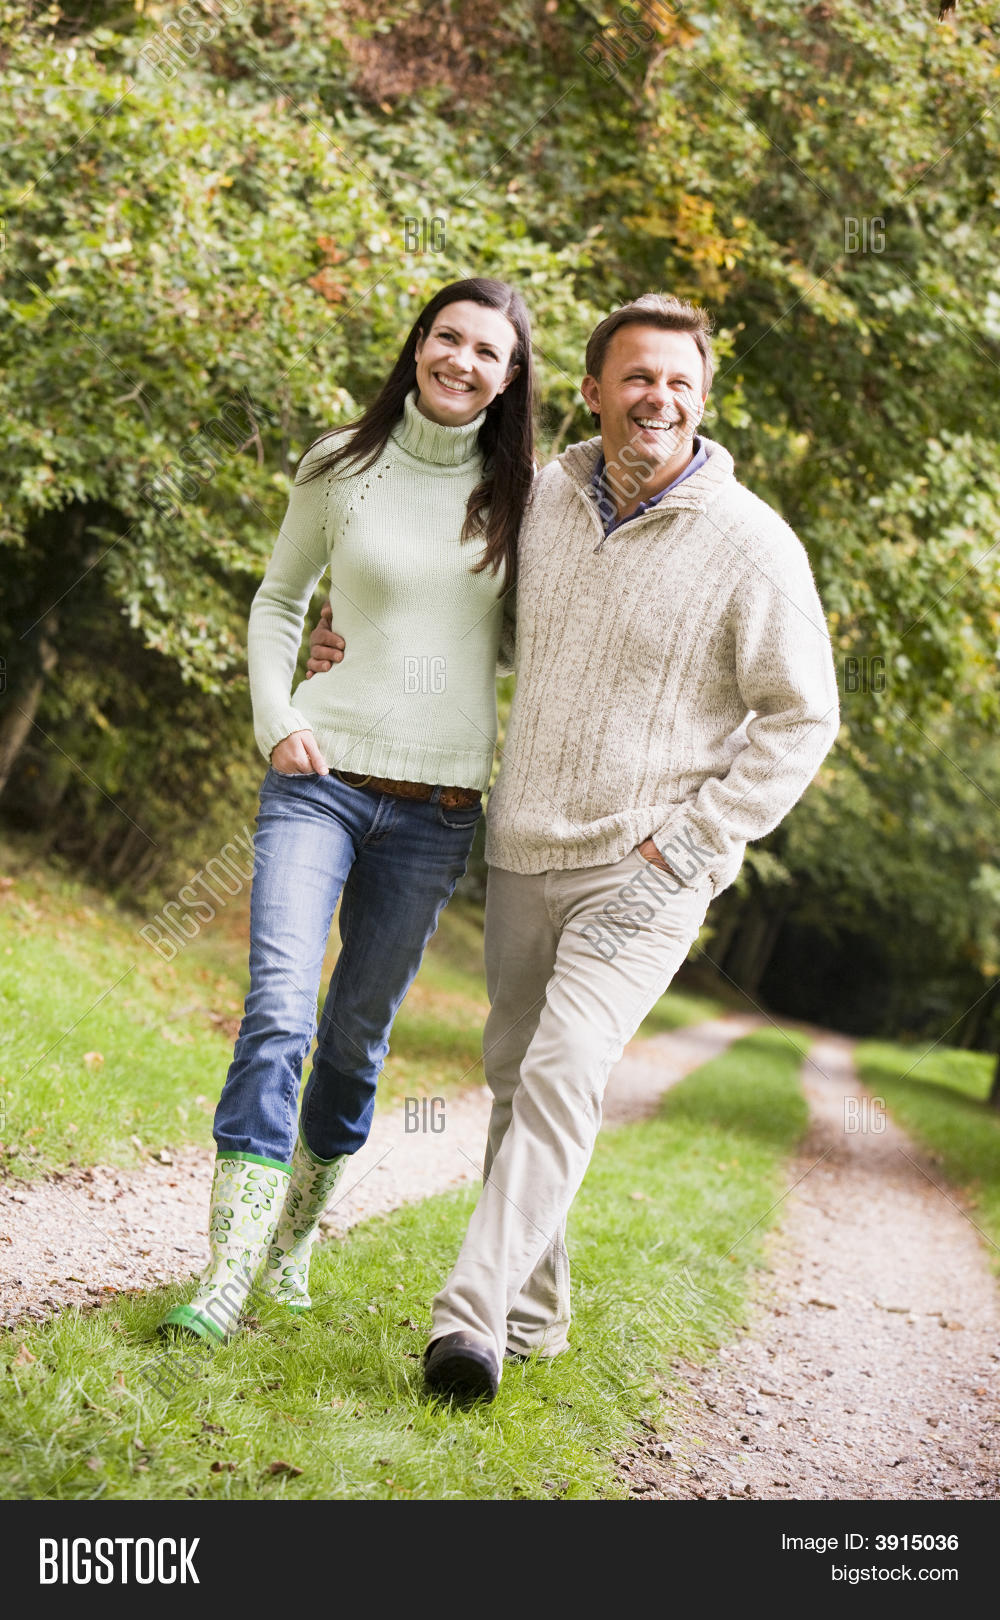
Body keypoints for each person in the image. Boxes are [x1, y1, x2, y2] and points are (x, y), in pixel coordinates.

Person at [307, 292, 840, 1400]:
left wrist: (692, 844)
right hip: (523, 845)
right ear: (594, 390)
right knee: (513, 1080)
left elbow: (802, 717)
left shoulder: (753, 547)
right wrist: (352, 642)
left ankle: (470, 1324)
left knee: (561, 1073)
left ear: (703, 397)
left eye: (681, 381)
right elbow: (466, 630)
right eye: (637, 377)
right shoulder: (538, 501)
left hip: (646, 869)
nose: (660, 397)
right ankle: (539, 1310)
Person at [159, 278, 534, 1345]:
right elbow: (282, 599)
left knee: (355, 1043)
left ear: (510, 381)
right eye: (446, 338)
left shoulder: (525, 499)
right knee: (279, 1006)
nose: (460, 361)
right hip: (316, 777)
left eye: (486, 353)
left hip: (436, 806)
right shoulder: (341, 462)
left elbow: (524, 644)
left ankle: (292, 1242)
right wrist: (276, 714)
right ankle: (225, 1277)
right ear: (417, 343)